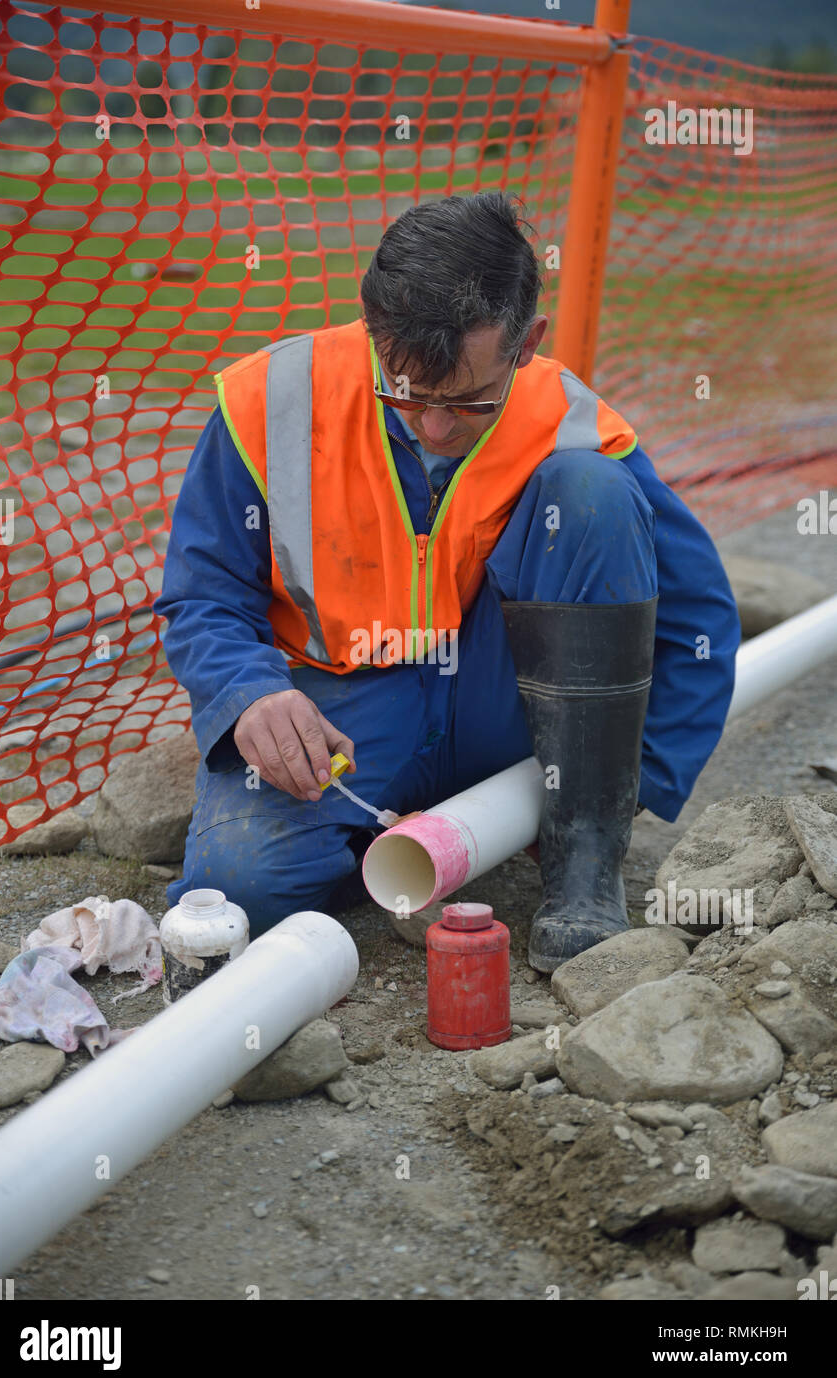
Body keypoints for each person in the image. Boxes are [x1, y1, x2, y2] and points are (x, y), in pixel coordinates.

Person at [153, 192, 741, 973]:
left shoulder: (569, 421)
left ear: (525, 342)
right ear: (373, 328)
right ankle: (385, 832)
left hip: (512, 700)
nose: (433, 424)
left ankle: (582, 867)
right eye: (405, 390)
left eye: (465, 399)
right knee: (239, 893)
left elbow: (697, 614)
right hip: (345, 712)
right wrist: (250, 693)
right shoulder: (270, 400)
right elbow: (203, 595)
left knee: (590, 492)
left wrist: (625, 784)